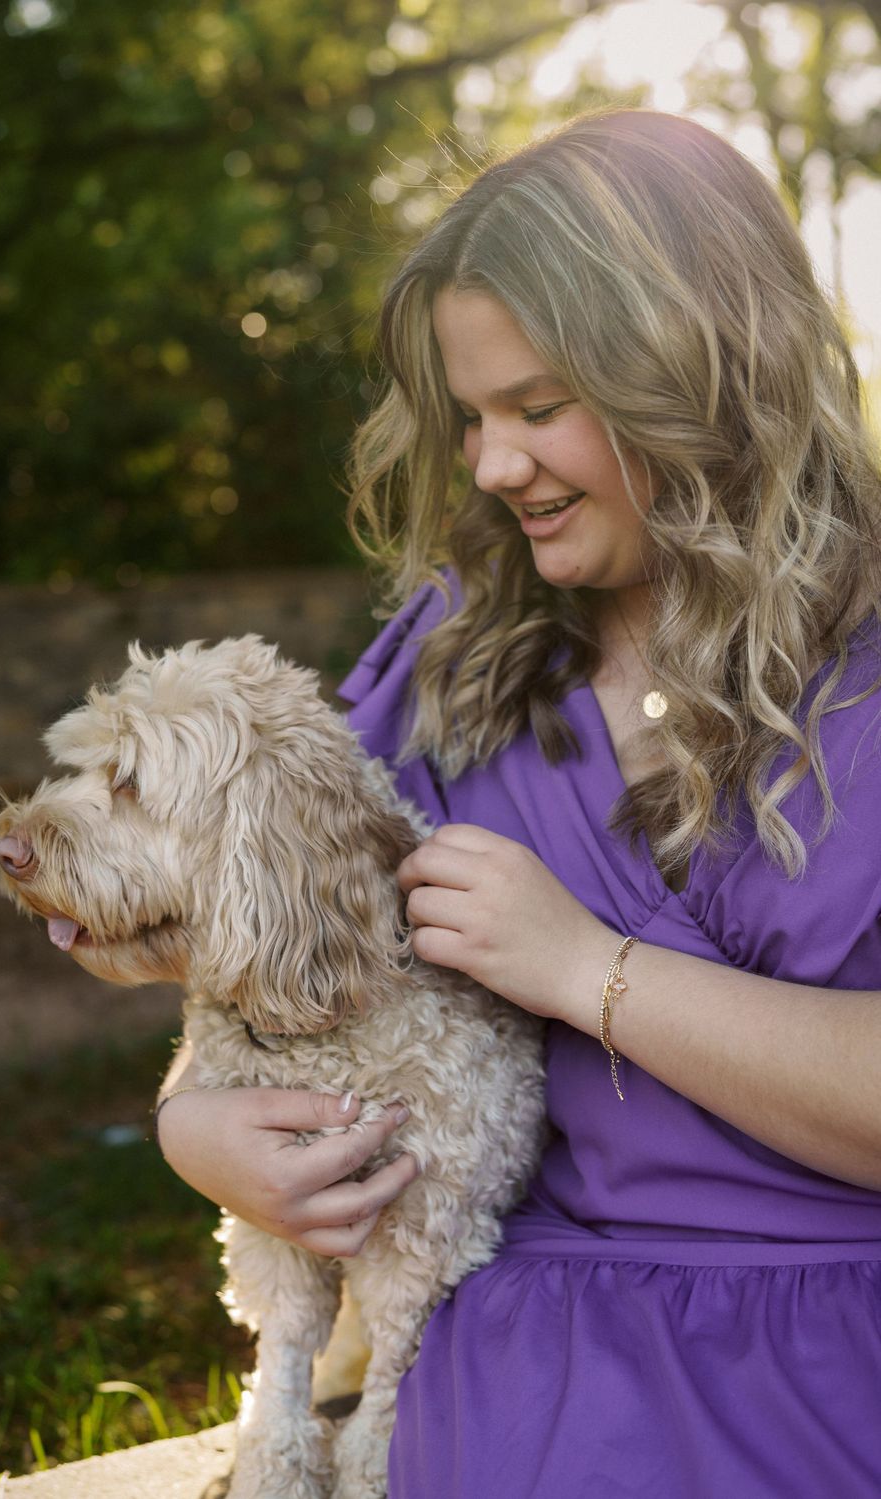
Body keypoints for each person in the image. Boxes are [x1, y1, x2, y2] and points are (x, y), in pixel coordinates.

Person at [156, 109, 881, 1495]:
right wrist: (201, 1138)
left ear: (705, 368)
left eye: (539, 409)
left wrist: (586, 969)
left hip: (838, 1341)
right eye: (472, 417)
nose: (491, 468)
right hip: (516, 1346)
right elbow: (261, 973)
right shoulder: (458, 650)